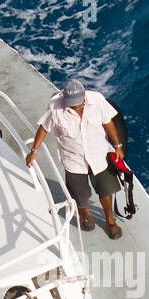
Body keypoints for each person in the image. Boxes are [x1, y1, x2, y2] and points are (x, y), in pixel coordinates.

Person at [26, 79, 126, 239]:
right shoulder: (55, 108)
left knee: (105, 191)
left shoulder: (97, 100)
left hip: (98, 156)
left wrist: (118, 146)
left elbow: (108, 123)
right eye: (71, 105)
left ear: (85, 96)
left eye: (78, 104)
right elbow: (44, 128)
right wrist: (34, 151)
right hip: (73, 160)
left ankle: (110, 220)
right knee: (79, 195)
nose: (75, 108)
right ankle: (84, 213)